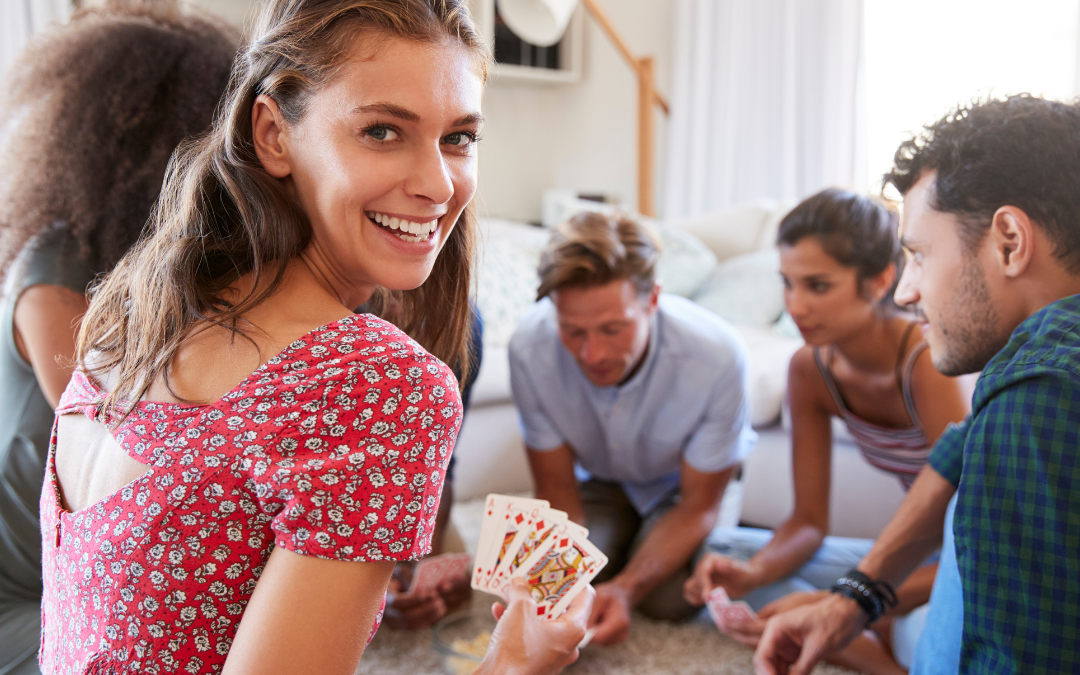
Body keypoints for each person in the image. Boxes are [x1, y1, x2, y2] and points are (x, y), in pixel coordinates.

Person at [39, 1, 592, 673]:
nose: (439, 183)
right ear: (273, 133)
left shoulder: (127, 315)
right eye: (383, 130)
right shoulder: (377, 383)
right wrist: (512, 663)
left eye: (460, 137)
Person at [754, 94, 1080, 675]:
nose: (905, 292)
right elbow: (958, 448)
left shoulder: (1041, 393)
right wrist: (852, 599)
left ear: (1009, 241)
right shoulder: (1030, 367)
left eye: (920, 255)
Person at [0, 4, 236, 673]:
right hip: (29, 589)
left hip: (101, 565)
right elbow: (134, 442)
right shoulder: (53, 279)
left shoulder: (157, 266)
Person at [683, 189, 970, 674]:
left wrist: (846, 596)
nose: (795, 306)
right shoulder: (809, 369)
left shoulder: (926, 362)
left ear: (879, 280)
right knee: (720, 556)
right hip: (897, 563)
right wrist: (754, 572)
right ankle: (856, 629)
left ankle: (871, 643)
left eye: (817, 286)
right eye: (787, 284)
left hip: (959, 560)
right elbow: (807, 523)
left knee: (933, 645)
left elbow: (971, 545)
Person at [510, 211, 757, 646]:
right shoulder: (529, 349)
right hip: (602, 483)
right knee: (564, 580)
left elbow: (697, 506)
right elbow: (558, 490)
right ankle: (625, 545)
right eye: (572, 331)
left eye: (613, 329)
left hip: (684, 489)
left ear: (653, 300)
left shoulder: (718, 357)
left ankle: (718, 537)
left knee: (667, 601)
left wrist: (625, 589)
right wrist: (556, 594)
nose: (592, 353)